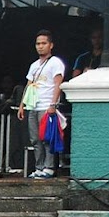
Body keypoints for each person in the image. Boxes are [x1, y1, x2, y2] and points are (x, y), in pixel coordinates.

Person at [18, 29, 66, 179]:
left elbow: (58, 84)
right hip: (33, 105)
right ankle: (39, 167)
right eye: (38, 43)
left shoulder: (56, 62)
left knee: (47, 138)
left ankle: (49, 167)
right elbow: (28, 85)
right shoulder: (34, 65)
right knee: (35, 139)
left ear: (51, 45)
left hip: (46, 106)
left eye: (44, 43)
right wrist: (22, 105)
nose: (40, 46)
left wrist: (53, 105)